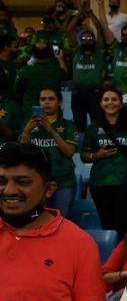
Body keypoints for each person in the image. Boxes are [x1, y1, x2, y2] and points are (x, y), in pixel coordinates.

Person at [0, 142, 105, 301]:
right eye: (1, 181)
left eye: (22, 182)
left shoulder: (78, 243)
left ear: (49, 189)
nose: (10, 190)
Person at [82, 86, 127, 234]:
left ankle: (123, 255)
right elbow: (84, 156)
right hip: (100, 184)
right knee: (108, 226)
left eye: (114, 99)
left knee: (125, 226)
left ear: (121, 103)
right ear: (101, 103)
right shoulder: (93, 128)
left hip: (125, 183)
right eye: (106, 99)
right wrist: (97, 155)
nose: (110, 102)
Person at [18, 87, 77, 217]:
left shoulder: (68, 125)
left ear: (59, 102)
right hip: (38, 181)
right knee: (37, 220)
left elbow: (69, 152)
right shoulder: (30, 125)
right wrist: (27, 131)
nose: (46, 102)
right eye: (43, 99)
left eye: (51, 99)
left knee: (60, 220)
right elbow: (23, 153)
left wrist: (50, 130)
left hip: (63, 182)